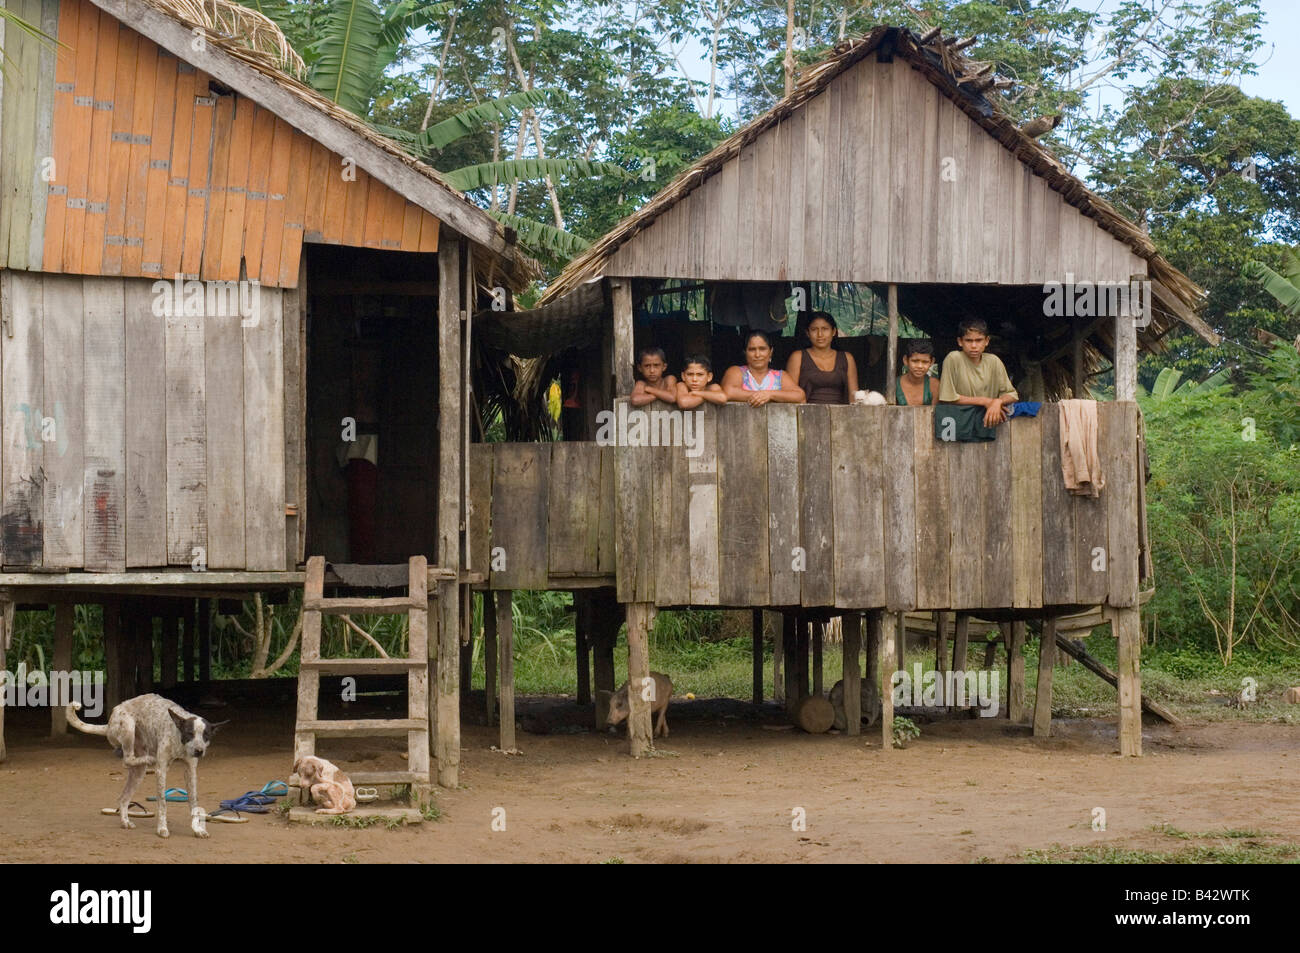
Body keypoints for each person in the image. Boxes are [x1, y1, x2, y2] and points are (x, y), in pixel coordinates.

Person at [937, 319, 1018, 427]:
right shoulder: (954, 358)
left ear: (987, 341)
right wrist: (985, 401)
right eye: (969, 340)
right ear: (960, 341)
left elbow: (1013, 395)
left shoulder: (994, 361)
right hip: (960, 423)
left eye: (979, 340)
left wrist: (997, 402)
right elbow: (947, 398)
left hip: (989, 424)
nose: (974, 345)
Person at [785, 311, 858, 405]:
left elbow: (854, 396)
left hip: (841, 415)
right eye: (814, 329)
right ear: (807, 333)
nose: (820, 334)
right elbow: (790, 395)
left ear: (834, 332)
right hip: (805, 415)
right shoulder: (797, 357)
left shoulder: (847, 358)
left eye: (825, 329)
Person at [721, 330, 806, 405]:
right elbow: (729, 392)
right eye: (752, 349)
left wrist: (769, 395)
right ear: (745, 352)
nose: (757, 355)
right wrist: (761, 396)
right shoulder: (736, 371)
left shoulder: (780, 375)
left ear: (771, 352)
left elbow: (800, 396)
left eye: (762, 349)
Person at [895, 339, 938, 406]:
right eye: (915, 361)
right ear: (905, 360)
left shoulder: (934, 385)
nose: (920, 366)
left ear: (932, 362)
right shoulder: (894, 385)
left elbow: (936, 413)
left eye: (925, 362)